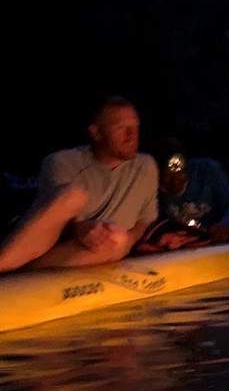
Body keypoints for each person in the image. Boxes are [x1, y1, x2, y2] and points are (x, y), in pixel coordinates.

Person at [0, 96, 158, 272]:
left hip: (101, 250)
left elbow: (146, 219)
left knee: (117, 239)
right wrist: (80, 228)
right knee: (74, 195)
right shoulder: (62, 162)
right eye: (121, 128)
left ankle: (20, 274)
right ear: (96, 133)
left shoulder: (146, 166)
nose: (132, 135)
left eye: (135, 127)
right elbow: (55, 218)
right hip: (52, 249)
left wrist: (130, 240)